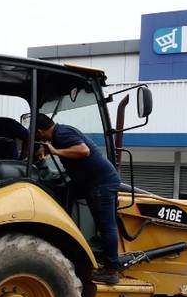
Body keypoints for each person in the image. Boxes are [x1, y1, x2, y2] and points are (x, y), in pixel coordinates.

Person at [33, 113, 122, 284]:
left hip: (101, 183)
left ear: (40, 131)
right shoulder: (59, 134)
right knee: (63, 192)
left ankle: (111, 270)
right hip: (91, 182)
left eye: (37, 135)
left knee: (106, 226)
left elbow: (83, 150)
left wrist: (56, 151)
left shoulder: (61, 133)